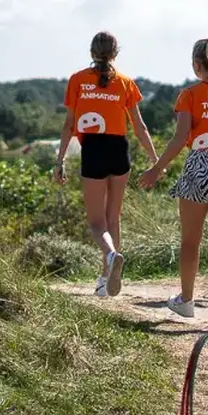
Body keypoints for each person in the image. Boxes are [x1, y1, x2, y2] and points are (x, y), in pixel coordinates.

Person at [138, 34, 208, 319]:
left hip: (199, 165)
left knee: (190, 240)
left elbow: (180, 138)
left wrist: (157, 168)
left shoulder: (188, 95)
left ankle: (186, 300)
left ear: (195, 64)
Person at [54, 31, 157, 297]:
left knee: (97, 223)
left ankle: (111, 256)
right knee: (114, 217)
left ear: (92, 52)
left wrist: (60, 160)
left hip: (93, 149)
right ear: (115, 53)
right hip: (119, 149)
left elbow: (68, 125)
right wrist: (155, 159)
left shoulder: (77, 80)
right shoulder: (124, 82)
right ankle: (106, 277)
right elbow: (139, 126)